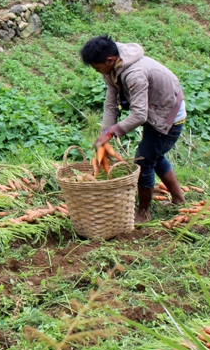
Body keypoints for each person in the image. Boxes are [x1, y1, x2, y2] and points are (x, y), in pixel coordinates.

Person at [80, 35, 187, 223]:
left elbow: (139, 115)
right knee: (154, 155)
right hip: (155, 111)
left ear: (109, 60)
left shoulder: (134, 74)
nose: (98, 72)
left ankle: (144, 213)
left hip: (167, 117)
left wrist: (111, 132)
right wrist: (105, 132)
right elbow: (110, 103)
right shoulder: (113, 66)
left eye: (97, 68)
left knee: (143, 161)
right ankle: (179, 199)